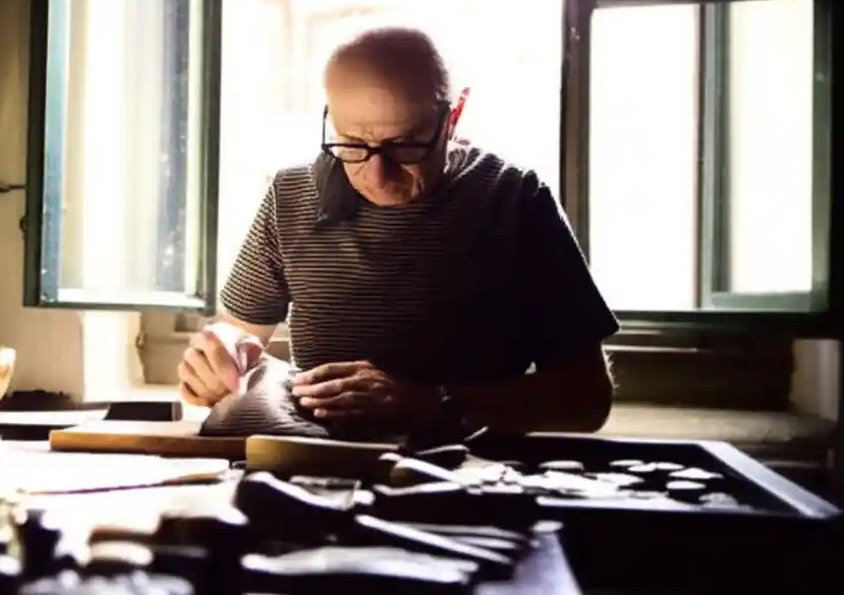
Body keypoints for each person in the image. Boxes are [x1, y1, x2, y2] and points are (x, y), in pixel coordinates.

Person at [178, 26, 617, 438]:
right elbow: (238, 340)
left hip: (471, 479)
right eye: (352, 143)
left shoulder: (516, 199)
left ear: (454, 117)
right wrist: (217, 362)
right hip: (317, 468)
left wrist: (433, 402)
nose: (376, 173)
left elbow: (587, 399)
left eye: (404, 146)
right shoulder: (291, 195)